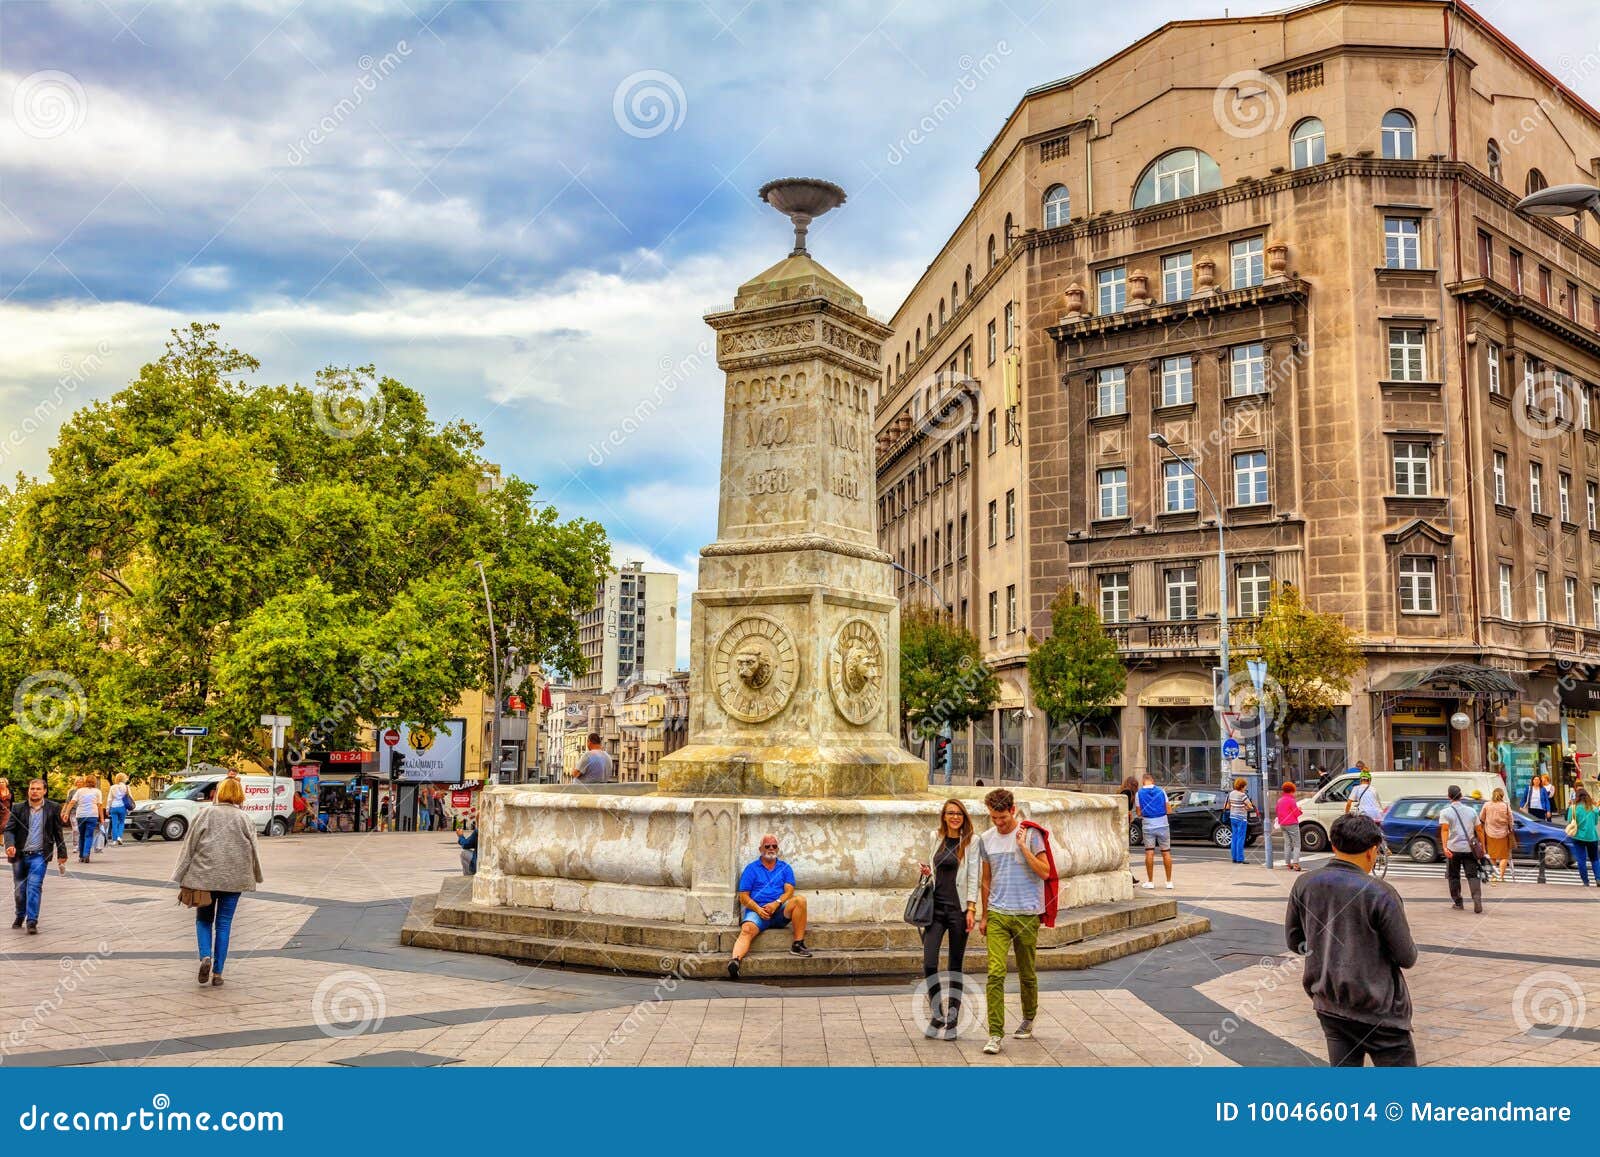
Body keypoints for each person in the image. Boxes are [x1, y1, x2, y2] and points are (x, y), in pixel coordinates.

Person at [1285, 813, 1418, 1066]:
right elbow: (1406, 956)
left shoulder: (1305, 884)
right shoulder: (1380, 892)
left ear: (1334, 846)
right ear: (1372, 851)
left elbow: (1295, 942)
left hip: (1330, 1002)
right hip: (1380, 1010)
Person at [977, 787, 1051, 1056]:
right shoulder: (985, 839)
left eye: (1003, 818)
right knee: (995, 973)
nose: (998, 823)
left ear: (1013, 810)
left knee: (1026, 971)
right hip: (998, 913)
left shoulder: (1031, 835)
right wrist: (984, 915)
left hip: (1027, 914)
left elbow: (1045, 872)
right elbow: (986, 880)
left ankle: (1028, 1017)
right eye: (993, 818)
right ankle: (995, 1033)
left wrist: (1022, 847)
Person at [172, 776, 263, 988]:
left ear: (218, 792)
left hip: (205, 878)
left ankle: (205, 956)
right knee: (224, 924)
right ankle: (218, 972)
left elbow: (190, 846)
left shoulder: (205, 814)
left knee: (204, 920)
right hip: (234, 878)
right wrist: (255, 875)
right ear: (240, 795)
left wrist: (180, 874)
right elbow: (254, 850)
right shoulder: (244, 818)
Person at [917, 799, 978, 1038]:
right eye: (950, 813)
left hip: (959, 911)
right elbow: (937, 868)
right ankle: (937, 1014)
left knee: (955, 965)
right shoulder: (936, 837)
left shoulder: (971, 842)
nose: (955, 817)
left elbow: (973, 876)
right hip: (936, 910)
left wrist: (972, 909)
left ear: (964, 817)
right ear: (944, 816)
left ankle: (952, 1019)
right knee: (929, 961)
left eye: (959, 814)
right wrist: (928, 872)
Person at [727, 834, 811, 977]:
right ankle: (735, 961)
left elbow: (789, 891)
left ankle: (797, 945)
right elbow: (743, 897)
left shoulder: (785, 868)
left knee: (800, 900)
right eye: (767, 846)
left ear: (777, 849)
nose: (771, 848)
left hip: (779, 911)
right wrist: (758, 910)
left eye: (774, 846)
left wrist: (777, 903)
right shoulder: (751, 869)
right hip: (757, 911)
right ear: (761, 849)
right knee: (747, 929)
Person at [4, 779, 69, 933]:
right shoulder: (18, 807)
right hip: (19, 855)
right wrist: (10, 845)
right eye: (32, 788)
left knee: (34, 886)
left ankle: (32, 921)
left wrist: (62, 853)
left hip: (40, 855)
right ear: (28, 791)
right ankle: (20, 914)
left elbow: (57, 832)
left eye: (38, 789)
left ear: (44, 791)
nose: (34, 791)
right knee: (20, 890)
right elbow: (9, 830)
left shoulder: (53, 808)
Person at [1439, 785, 1485, 914]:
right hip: (1469, 849)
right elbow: (1479, 830)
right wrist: (1483, 846)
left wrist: (1444, 847)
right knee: (1472, 875)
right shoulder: (1471, 811)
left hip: (1453, 848)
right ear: (1461, 796)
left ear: (1449, 797)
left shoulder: (1445, 812)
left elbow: (1445, 830)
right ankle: (1477, 899)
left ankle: (1458, 902)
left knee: (1453, 876)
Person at [1136, 773, 1174, 890]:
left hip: (1148, 825)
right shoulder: (1161, 791)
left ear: (1143, 782)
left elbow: (1138, 813)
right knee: (1166, 852)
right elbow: (1169, 810)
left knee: (1149, 852)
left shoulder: (1139, 793)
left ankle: (1150, 881)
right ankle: (1169, 882)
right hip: (1163, 824)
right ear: (1153, 781)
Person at [1480, 787, 1515, 884]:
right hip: (1503, 834)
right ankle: (1501, 876)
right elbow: (1511, 820)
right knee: (1504, 856)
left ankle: (1494, 877)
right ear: (1502, 795)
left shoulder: (1487, 805)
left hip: (1490, 833)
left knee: (1492, 856)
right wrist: (1511, 828)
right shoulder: (1506, 806)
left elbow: (1481, 817)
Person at [1567, 789, 1599, 886]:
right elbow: (1596, 822)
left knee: (1581, 859)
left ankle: (1585, 881)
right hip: (1592, 837)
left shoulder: (1573, 808)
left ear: (1577, 797)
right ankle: (1598, 878)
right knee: (1595, 859)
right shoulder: (1594, 808)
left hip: (1578, 837)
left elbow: (1569, 821)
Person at [72, 775, 104, 863]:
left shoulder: (80, 791)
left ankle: (81, 856)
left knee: (81, 835)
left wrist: (66, 813)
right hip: (92, 815)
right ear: (95, 782)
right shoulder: (98, 791)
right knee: (89, 835)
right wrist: (102, 818)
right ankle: (86, 854)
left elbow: (72, 802)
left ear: (85, 782)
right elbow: (100, 806)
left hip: (81, 815)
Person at [1226, 777, 1256, 864]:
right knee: (1241, 838)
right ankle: (1240, 858)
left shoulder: (1231, 794)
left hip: (1233, 818)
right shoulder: (1243, 795)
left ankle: (1234, 857)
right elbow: (1250, 806)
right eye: (1245, 786)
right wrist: (1244, 807)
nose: (1246, 788)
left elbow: (1228, 806)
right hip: (1241, 818)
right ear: (1242, 786)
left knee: (1234, 837)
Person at [1118, 776, 1141, 884]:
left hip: (1124, 823)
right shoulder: (1127, 792)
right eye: (1136, 785)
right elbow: (1125, 809)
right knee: (1125, 852)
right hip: (1124, 824)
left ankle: (1130, 875)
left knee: (1125, 852)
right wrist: (1129, 815)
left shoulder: (1123, 791)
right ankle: (1128, 876)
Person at [1277, 782, 1303, 871]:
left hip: (1283, 824)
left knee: (1287, 843)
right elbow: (1296, 813)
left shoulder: (1279, 800)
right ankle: (1296, 863)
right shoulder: (1291, 800)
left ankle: (1288, 863)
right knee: (1297, 844)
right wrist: (1300, 810)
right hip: (1292, 824)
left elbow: (1278, 812)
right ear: (1292, 791)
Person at [106, 773, 134, 846]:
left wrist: (107, 809)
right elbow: (130, 797)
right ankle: (119, 837)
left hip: (113, 807)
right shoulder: (126, 787)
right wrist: (131, 808)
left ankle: (114, 840)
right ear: (124, 779)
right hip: (122, 807)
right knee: (121, 823)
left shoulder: (112, 787)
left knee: (114, 824)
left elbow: (109, 799)